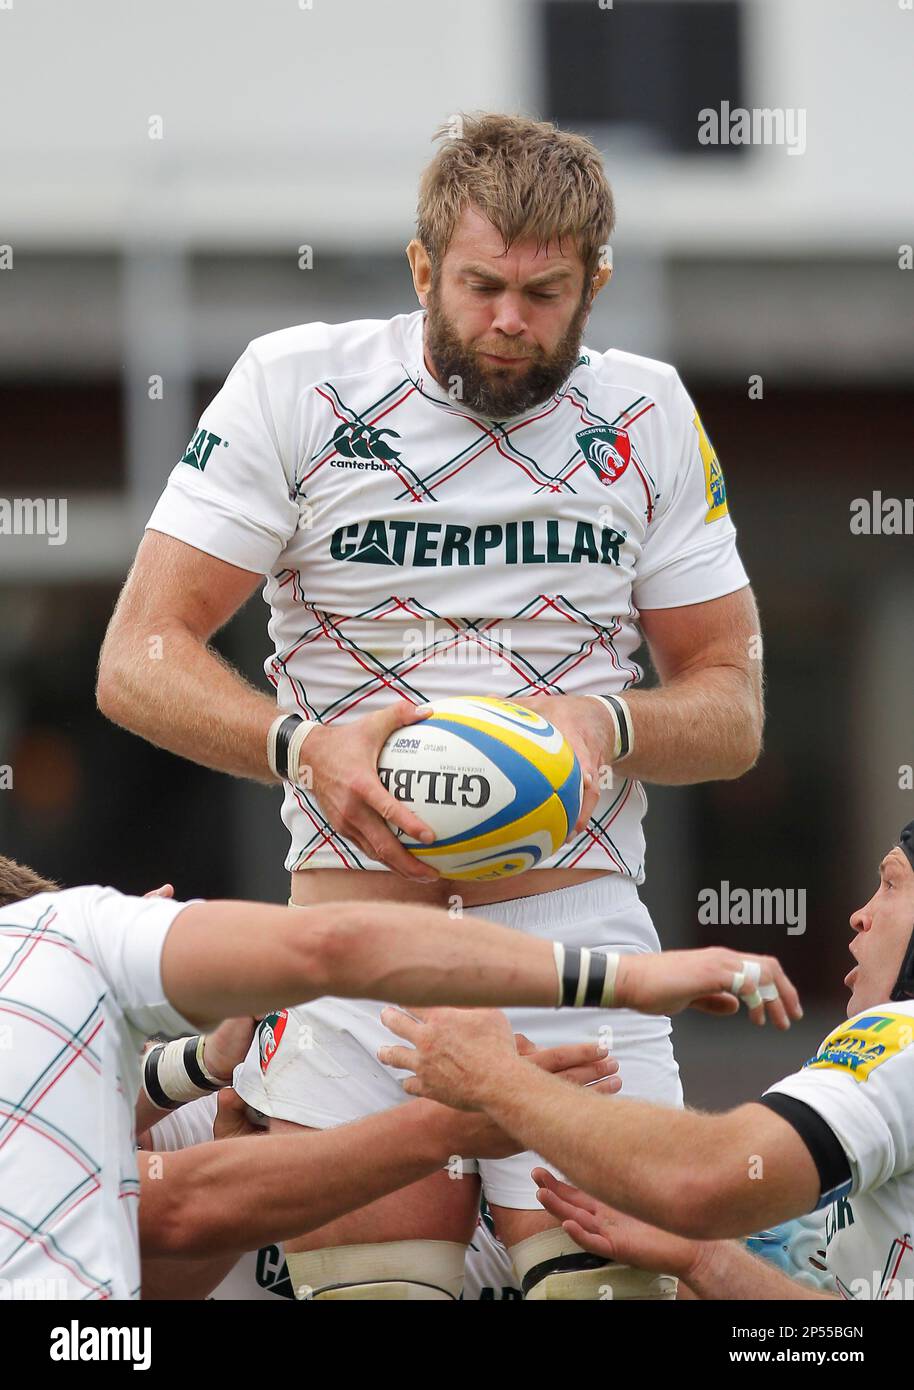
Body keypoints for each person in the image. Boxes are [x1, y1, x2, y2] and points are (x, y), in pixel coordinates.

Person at [96, 111, 763, 1296]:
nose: (508, 320)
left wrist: (608, 728)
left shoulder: (648, 411)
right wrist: (303, 746)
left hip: (574, 937)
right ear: (420, 270)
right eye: (479, 285)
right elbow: (138, 657)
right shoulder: (294, 385)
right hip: (346, 953)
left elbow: (731, 704)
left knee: (609, 1289)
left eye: (544, 293)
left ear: (594, 284)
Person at [0, 852, 791, 1299]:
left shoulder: (187, 1070)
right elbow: (179, 1210)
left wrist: (702, 1259)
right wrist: (477, 1108)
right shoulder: (70, 945)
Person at [380, 825, 914, 1300]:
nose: (861, 914)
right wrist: (703, 1258)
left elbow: (704, 1177)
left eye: (891, 883)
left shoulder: (904, 1038)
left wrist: (498, 1081)